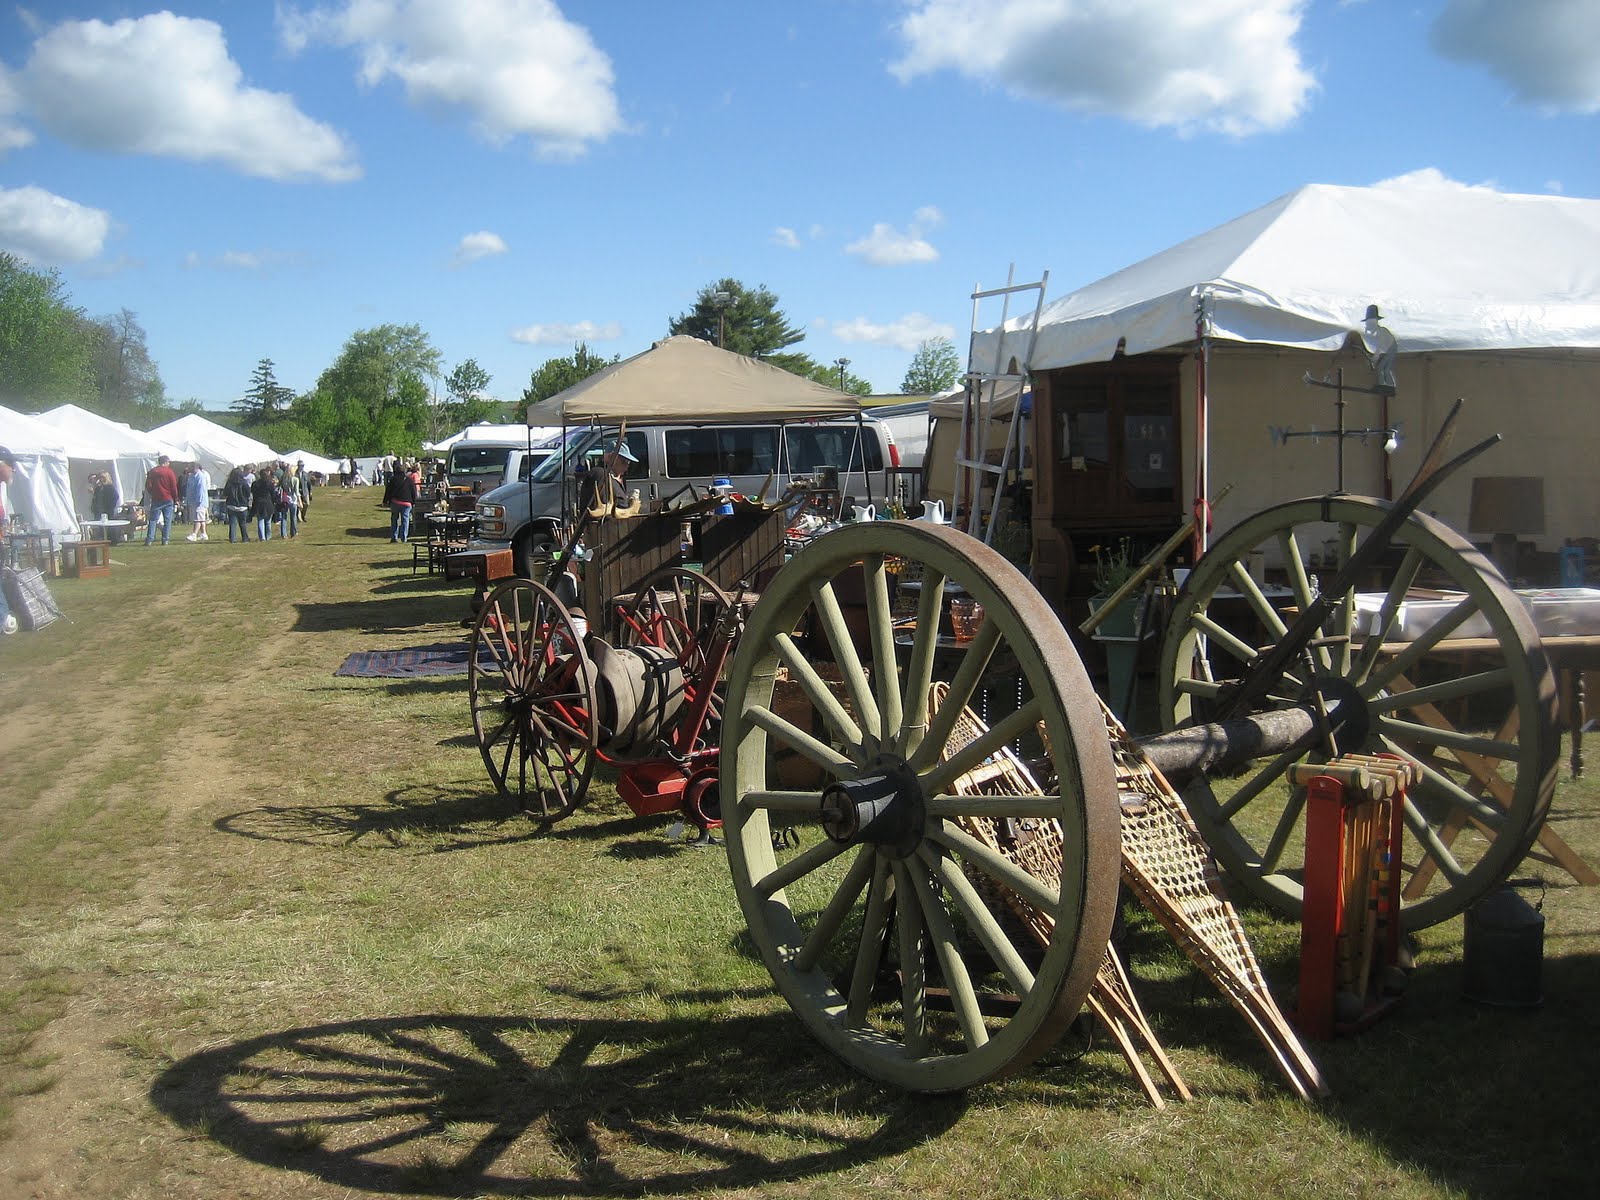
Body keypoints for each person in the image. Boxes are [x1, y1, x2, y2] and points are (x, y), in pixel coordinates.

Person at [143, 454, 180, 546]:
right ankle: (165, 539)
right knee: (167, 520)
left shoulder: (152, 471)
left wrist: (153, 492)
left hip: (156, 498)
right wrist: (176, 499)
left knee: (153, 520)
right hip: (168, 498)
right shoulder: (170, 472)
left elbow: (148, 485)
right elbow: (173, 487)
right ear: (166, 462)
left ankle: (149, 539)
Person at [388, 458, 419, 542]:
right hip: (407, 503)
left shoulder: (393, 479)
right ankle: (404, 537)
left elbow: (388, 490)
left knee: (394, 519)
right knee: (405, 520)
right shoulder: (409, 480)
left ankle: (394, 537)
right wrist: (414, 502)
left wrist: (386, 501)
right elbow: (414, 491)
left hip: (395, 502)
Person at [89, 472, 122, 544]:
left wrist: (110, 506)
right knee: (100, 525)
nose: (100, 479)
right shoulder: (99, 487)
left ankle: (112, 540)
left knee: (109, 525)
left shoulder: (109, 487)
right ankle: (103, 539)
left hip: (107, 510)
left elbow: (115, 497)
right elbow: (96, 498)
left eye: (102, 478)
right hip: (98, 510)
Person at [184, 461, 212, 542]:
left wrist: (199, 500)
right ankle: (204, 534)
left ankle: (194, 534)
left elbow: (201, 490)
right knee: (201, 518)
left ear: (194, 468)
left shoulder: (200, 476)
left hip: (199, 501)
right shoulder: (192, 476)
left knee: (198, 518)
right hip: (193, 500)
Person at [249, 462, 278, 542]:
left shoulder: (256, 484)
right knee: (268, 521)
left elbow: (253, 492)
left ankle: (262, 537)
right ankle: (268, 535)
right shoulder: (270, 483)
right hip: (268, 503)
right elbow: (273, 494)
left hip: (258, 503)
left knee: (260, 520)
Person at [222, 467, 251, 542]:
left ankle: (232, 539)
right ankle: (245, 539)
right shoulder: (244, 482)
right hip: (242, 506)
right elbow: (248, 493)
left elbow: (225, 493)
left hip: (231, 505)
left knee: (232, 524)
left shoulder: (229, 482)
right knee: (243, 523)